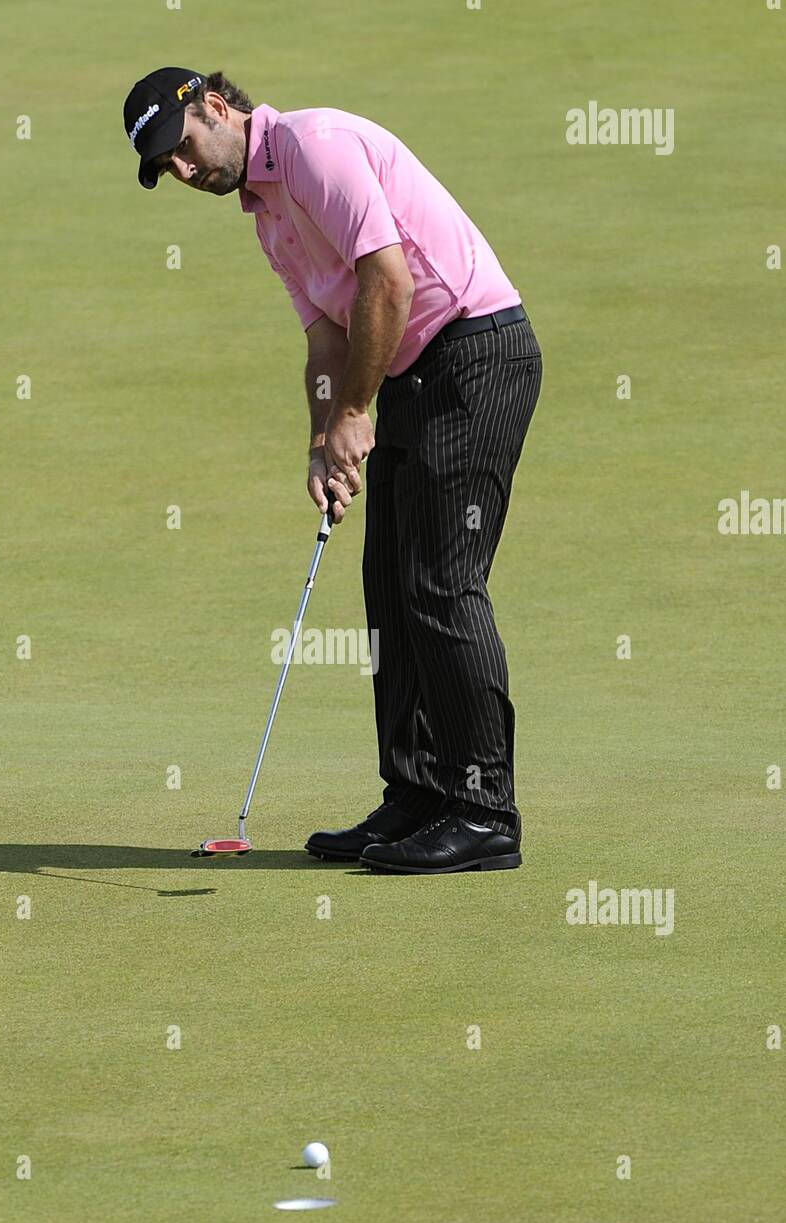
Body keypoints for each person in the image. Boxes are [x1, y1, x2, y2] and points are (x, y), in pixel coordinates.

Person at [123, 67, 542, 875]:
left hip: (475, 355)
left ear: (214, 107)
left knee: (440, 583)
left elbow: (390, 279)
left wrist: (356, 415)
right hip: (411, 372)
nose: (183, 170)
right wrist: (324, 438)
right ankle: (420, 794)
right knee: (389, 586)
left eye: (180, 149)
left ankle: (485, 810)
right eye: (164, 168)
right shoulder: (264, 212)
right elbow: (325, 338)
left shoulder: (314, 147)